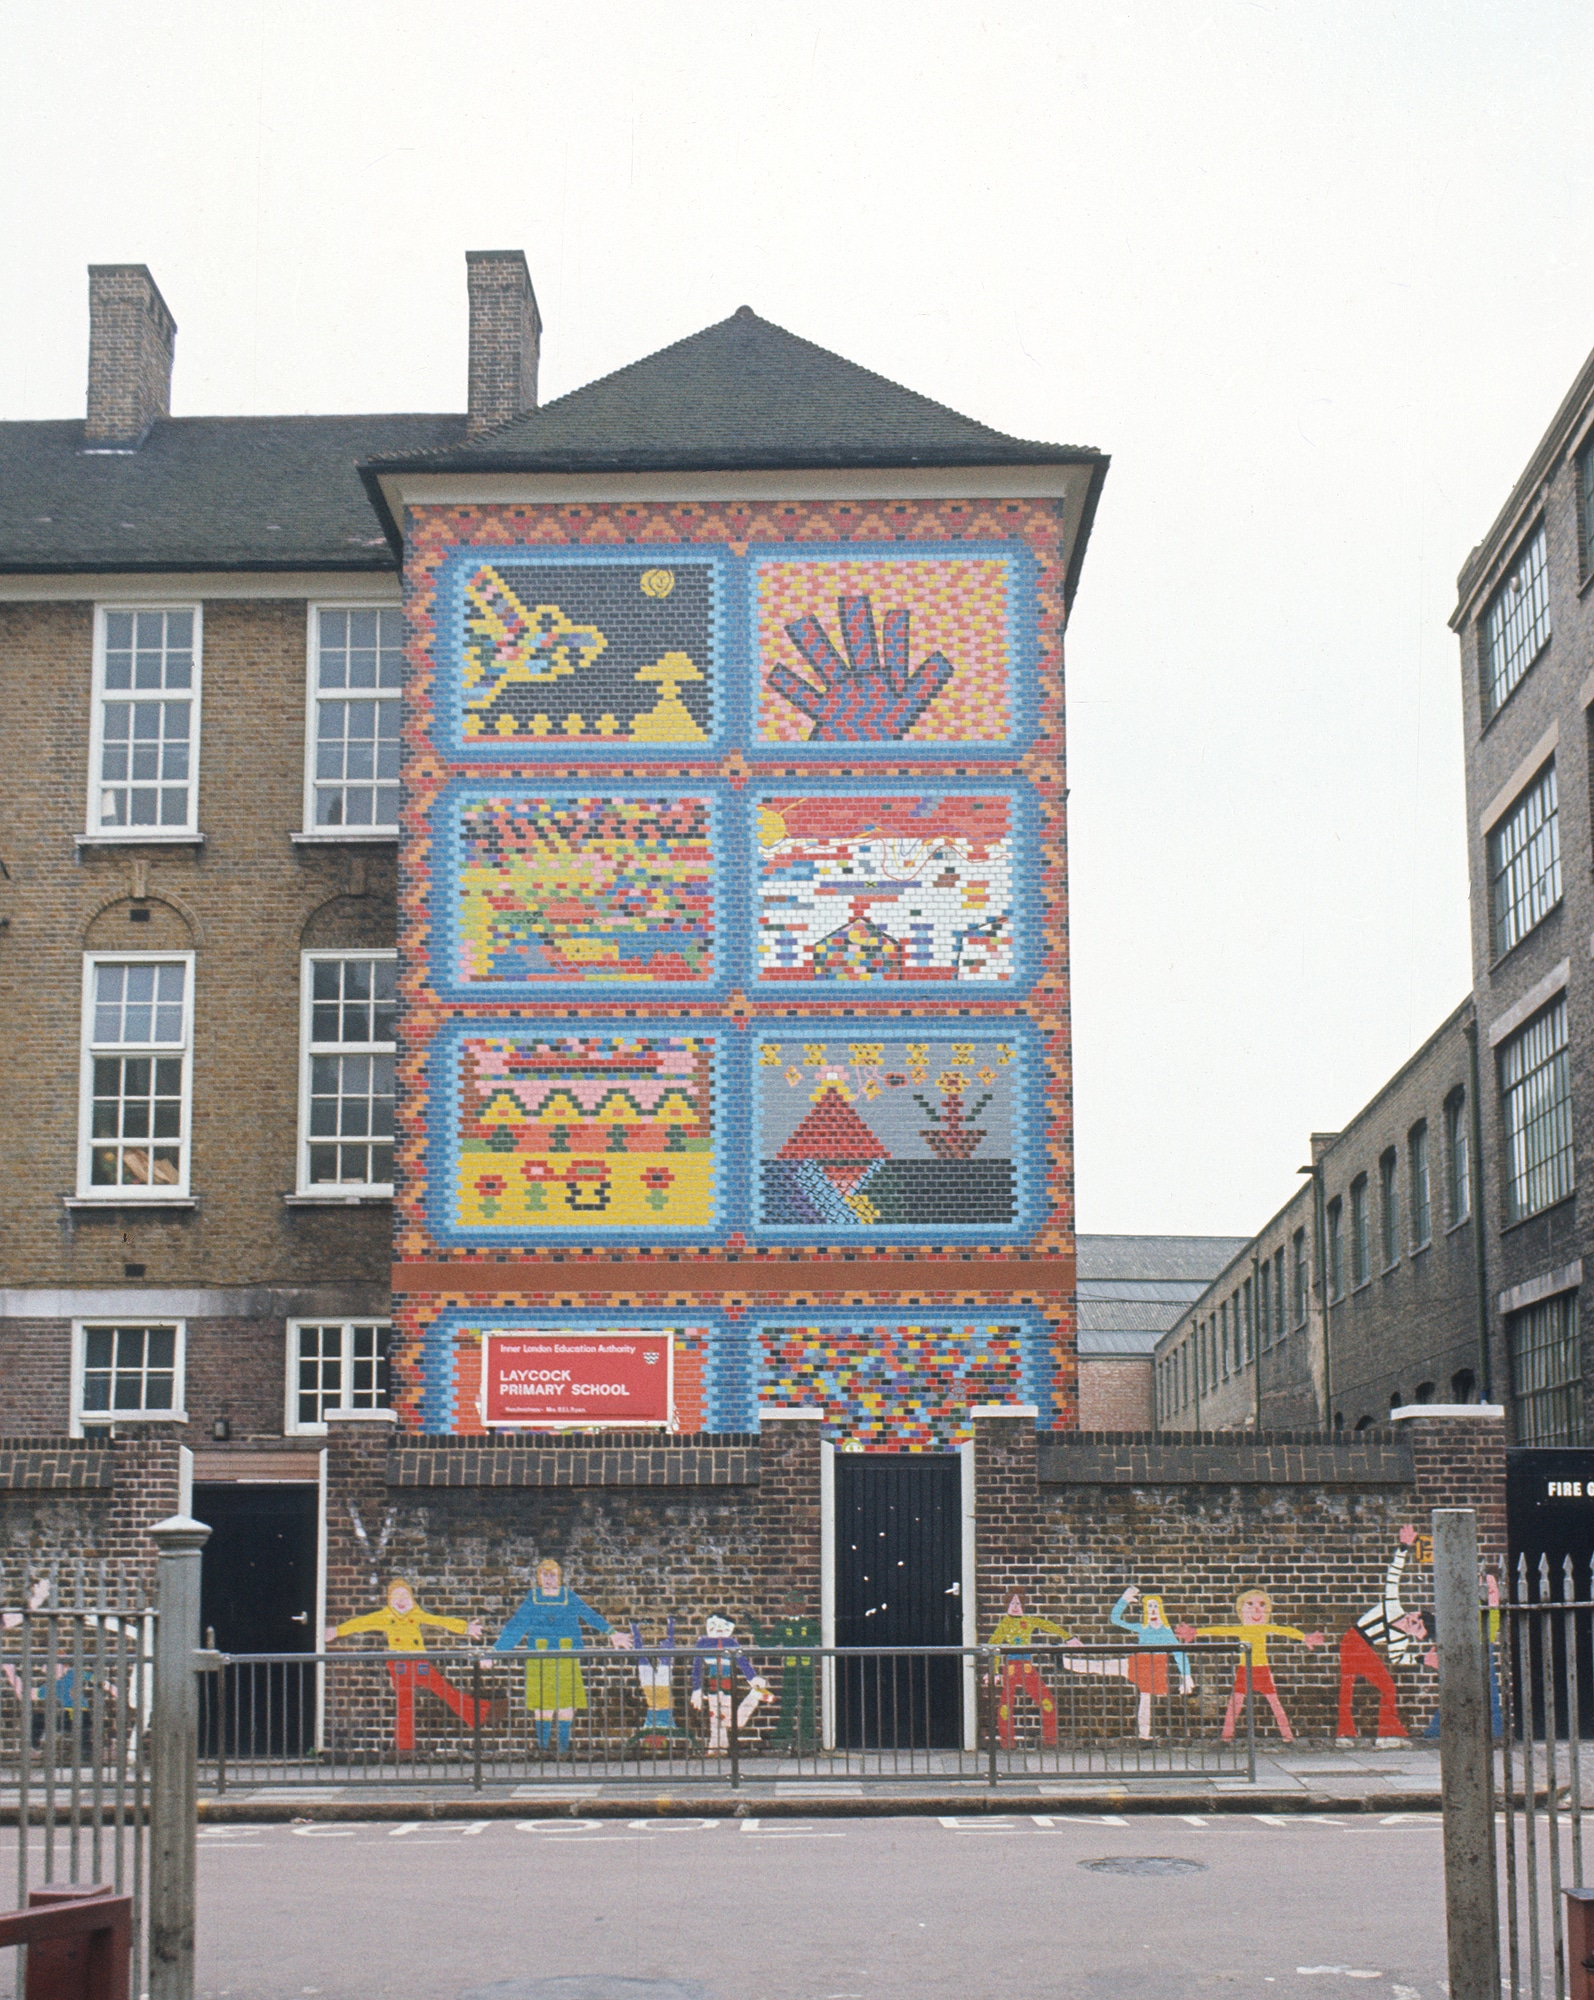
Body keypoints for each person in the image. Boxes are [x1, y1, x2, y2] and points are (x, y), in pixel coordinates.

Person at [325, 1579, 490, 1755]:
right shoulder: (385, 1616)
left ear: (412, 1598)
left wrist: (466, 1628)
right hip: (399, 1664)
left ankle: (477, 1713)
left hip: (420, 1662)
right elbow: (361, 1623)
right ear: (389, 1599)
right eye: (396, 1596)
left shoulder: (416, 1614)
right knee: (405, 1704)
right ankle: (405, 1746)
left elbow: (440, 1620)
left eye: (405, 1595)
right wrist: (337, 1631)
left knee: (445, 1690)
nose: (401, 1600)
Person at [493, 1558, 630, 1754]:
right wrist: (496, 1651)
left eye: (553, 1575)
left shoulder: (569, 1597)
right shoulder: (533, 1599)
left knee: (567, 1701)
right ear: (539, 1578)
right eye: (545, 1575)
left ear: (559, 1576)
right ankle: (543, 1748)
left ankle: (563, 1747)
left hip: (567, 1654)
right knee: (543, 1702)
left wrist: (612, 1633)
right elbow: (516, 1627)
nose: (549, 1579)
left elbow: (589, 1615)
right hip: (540, 1656)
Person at [1175, 1588, 1324, 1743]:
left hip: (1262, 1670)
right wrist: (1196, 1632)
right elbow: (1220, 1631)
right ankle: (1227, 1736)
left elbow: (1284, 1631)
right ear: (1241, 1610)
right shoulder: (1242, 1629)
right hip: (1244, 1670)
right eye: (1250, 1604)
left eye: (1261, 1604)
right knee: (1236, 1703)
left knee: (1274, 1703)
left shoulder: (1265, 1628)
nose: (1256, 1608)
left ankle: (1287, 1736)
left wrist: (1304, 1637)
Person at [1337, 1526, 1437, 1745]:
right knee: (1361, 1685)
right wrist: (1403, 1548)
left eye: (1419, 1627)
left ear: (1417, 1637)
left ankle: (1352, 1734)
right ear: (1415, 1612)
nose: (1414, 1622)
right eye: (1418, 1618)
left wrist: (1422, 1659)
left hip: (1358, 1645)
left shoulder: (1399, 1639)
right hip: (1354, 1640)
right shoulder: (1392, 1607)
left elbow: (1397, 1658)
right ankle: (1384, 1734)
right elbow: (1393, 1577)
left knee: (1350, 1685)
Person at [988, 1590, 1072, 1748]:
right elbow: (994, 1643)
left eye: (1018, 1603)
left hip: (1026, 1667)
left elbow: (1048, 1625)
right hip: (1011, 1668)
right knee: (1006, 1706)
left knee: (1047, 1701)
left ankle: (1050, 1739)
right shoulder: (1004, 1624)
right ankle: (1007, 1742)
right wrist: (994, 1672)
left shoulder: (1029, 1621)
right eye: (1012, 1603)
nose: (1015, 1607)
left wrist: (1068, 1637)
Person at [1109, 1585, 1194, 1741]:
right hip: (1140, 1662)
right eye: (1149, 1606)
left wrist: (1186, 1676)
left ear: (1160, 1608)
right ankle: (1066, 1662)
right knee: (1105, 1667)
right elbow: (1115, 1619)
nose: (1153, 1609)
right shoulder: (1143, 1627)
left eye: (1155, 1605)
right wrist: (1125, 1599)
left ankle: (1144, 1735)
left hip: (1155, 1667)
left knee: (1145, 1699)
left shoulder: (1166, 1632)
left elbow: (1179, 1653)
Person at [690, 1615, 769, 1754]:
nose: (719, 1629)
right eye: (714, 1624)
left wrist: (752, 1678)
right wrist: (696, 1688)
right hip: (713, 1684)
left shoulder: (731, 1642)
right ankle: (718, 1747)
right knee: (716, 1716)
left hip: (727, 1685)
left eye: (724, 1625)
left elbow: (743, 1662)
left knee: (726, 1718)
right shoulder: (703, 1643)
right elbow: (696, 1668)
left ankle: (718, 1746)